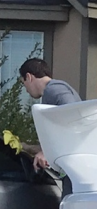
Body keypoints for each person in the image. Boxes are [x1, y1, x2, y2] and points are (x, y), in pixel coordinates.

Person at [19, 58, 81, 193]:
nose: (26, 90)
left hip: (75, 172)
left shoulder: (54, 90)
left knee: (69, 206)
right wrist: (27, 147)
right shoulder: (52, 92)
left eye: (24, 84)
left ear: (29, 77)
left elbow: (73, 121)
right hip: (72, 171)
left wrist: (46, 153)